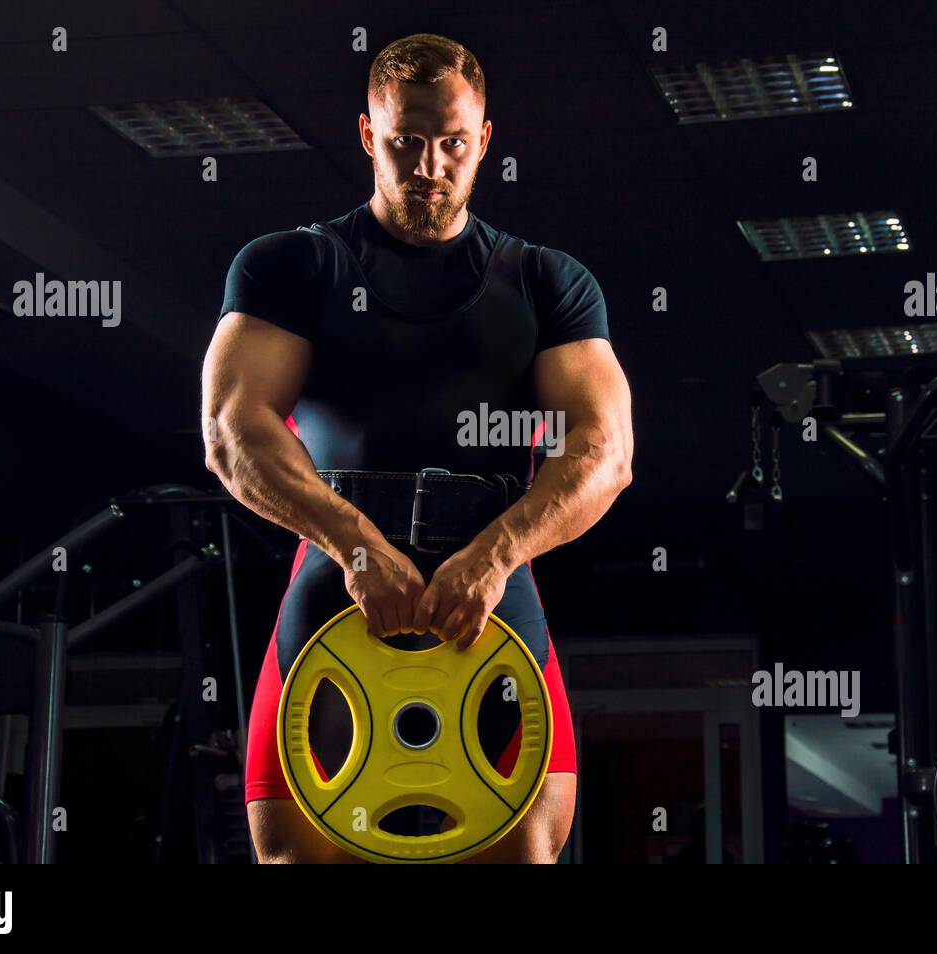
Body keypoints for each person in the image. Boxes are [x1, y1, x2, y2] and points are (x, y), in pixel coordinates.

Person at [202, 33, 633, 863]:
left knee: (524, 851)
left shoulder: (547, 282)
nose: (428, 164)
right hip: (334, 589)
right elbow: (232, 432)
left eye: (452, 143)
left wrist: (493, 554)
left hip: (493, 598)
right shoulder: (289, 267)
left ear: (483, 141)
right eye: (405, 141)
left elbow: (605, 451)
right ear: (369, 135)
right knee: (295, 854)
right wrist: (359, 546)